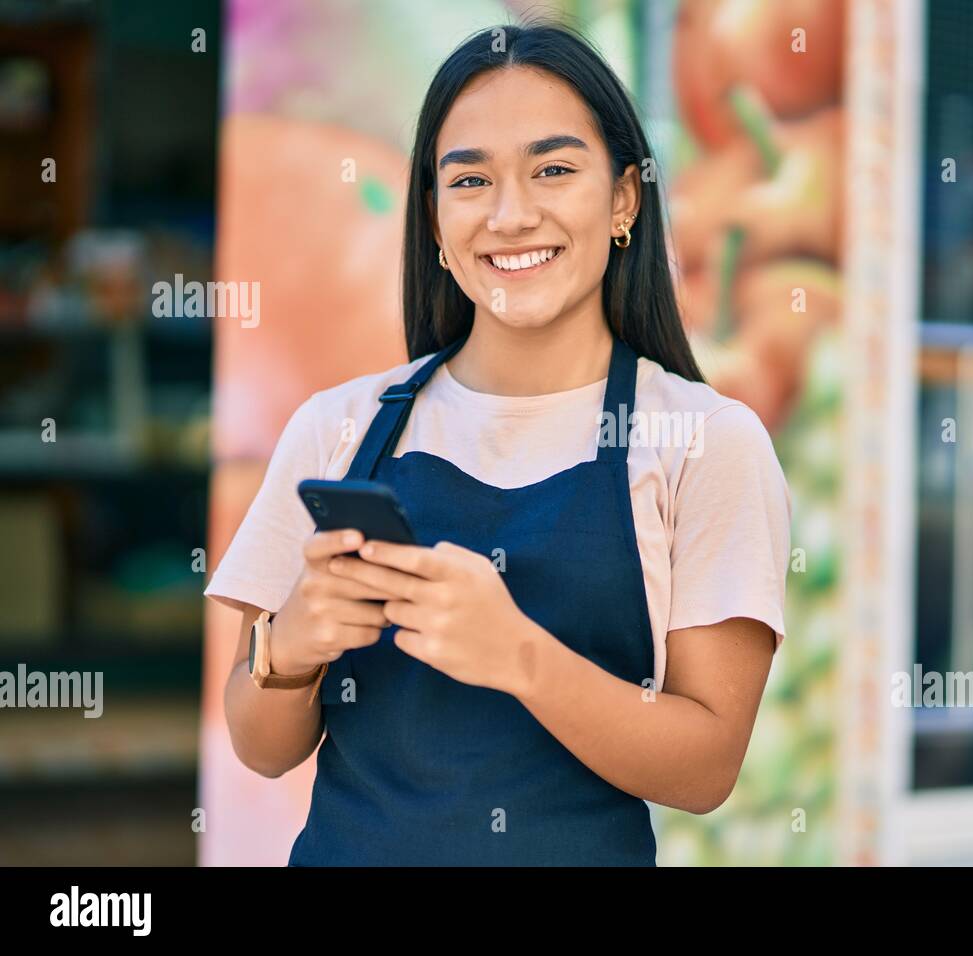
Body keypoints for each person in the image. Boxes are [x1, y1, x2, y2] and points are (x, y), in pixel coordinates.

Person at [204, 21, 791, 866]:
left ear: (625, 198)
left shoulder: (705, 442)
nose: (512, 216)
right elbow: (261, 747)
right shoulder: (337, 427)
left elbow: (705, 768)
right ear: (436, 220)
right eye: (470, 179)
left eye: (553, 169)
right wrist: (290, 647)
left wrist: (517, 655)